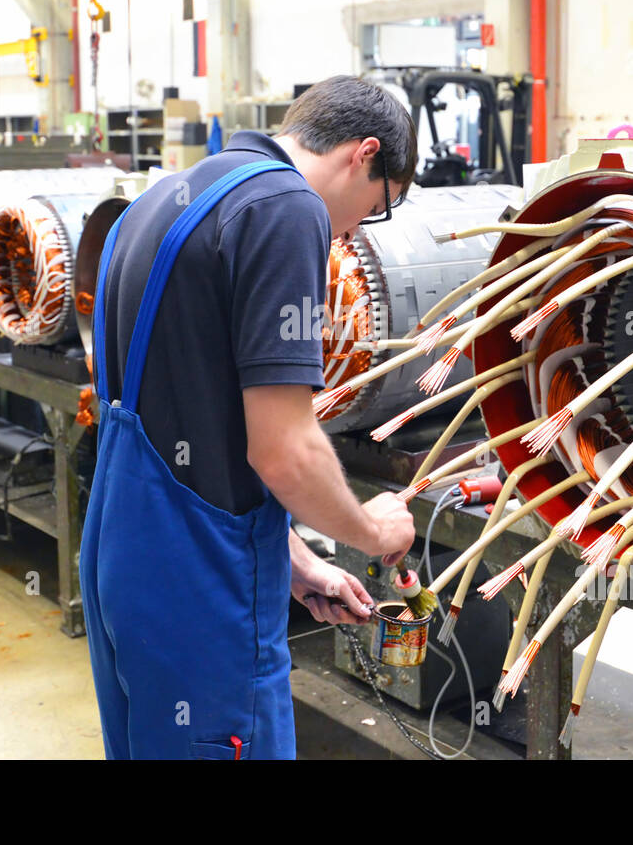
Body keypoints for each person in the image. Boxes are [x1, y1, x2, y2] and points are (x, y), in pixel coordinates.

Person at [81, 75, 420, 760]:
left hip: (125, 560)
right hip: (202, 593)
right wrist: (368, 529)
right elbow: (285, 450)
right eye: (377, 207)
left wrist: (291, 560)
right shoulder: (285, 208)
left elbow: (194, 418)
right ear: (364, 154)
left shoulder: (164, 200)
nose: (353, 231)